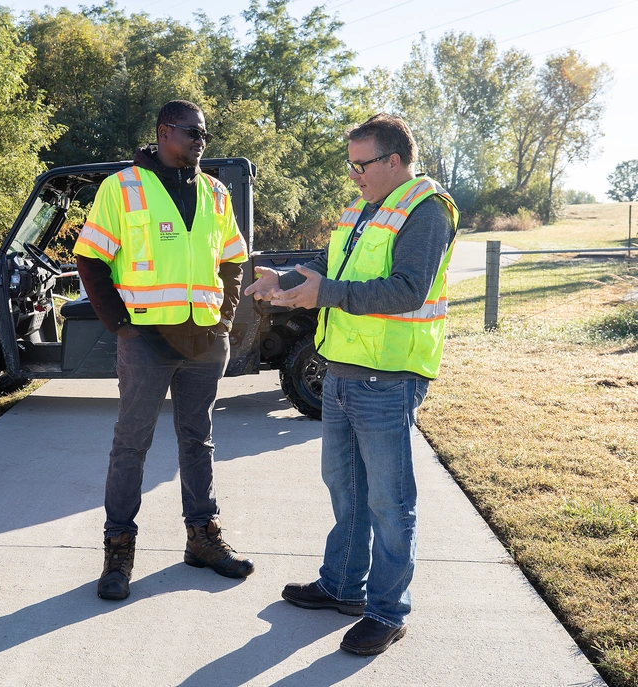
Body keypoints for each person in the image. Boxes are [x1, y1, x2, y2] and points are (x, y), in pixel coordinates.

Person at [246, 113, 459, 655]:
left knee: (390, 501)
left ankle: (387, 612)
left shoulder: (425, 210)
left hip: (388, 378)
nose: (353, 175)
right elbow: (328, 263)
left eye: (361, 165)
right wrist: (286, 278)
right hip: (341, 370)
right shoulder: (366, 207)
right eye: (351, 165)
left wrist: (328, 295)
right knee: (345, 487)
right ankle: (343, 585)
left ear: (394, 161)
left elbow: (408, 289)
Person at [73, 100, 254, 601]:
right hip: (146, 339)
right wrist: (121, 327)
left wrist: (224, 317)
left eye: (205, 135)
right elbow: (91, 259)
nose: (200, 142)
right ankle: (118, 548)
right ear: (163, 132)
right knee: (131, 444)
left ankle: (202, 538)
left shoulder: (216, 191)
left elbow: (234, 258)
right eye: (191, 133)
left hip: (202, 339)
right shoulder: (123, 187)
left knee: (199, 441)